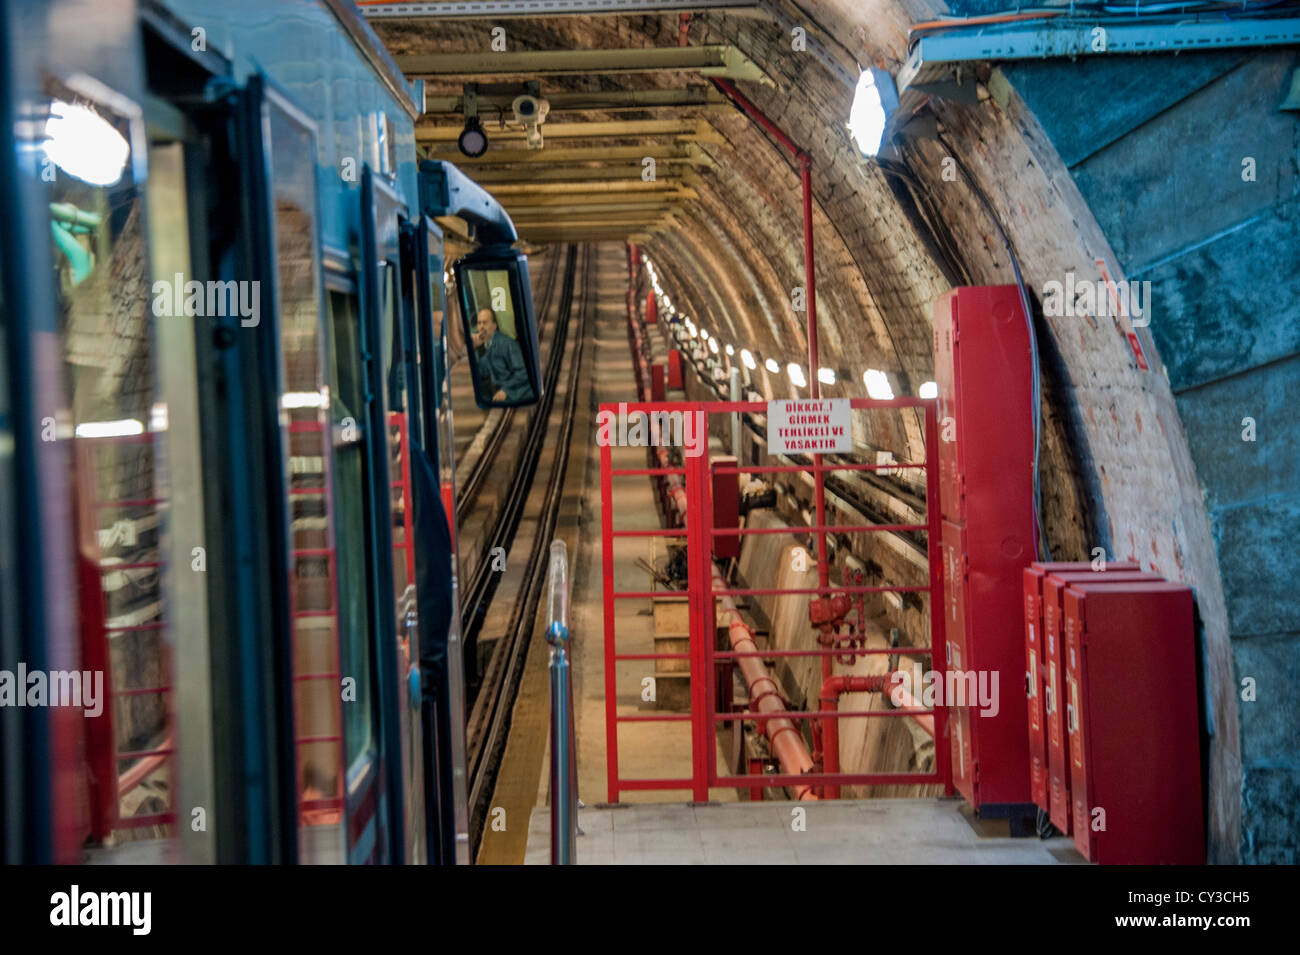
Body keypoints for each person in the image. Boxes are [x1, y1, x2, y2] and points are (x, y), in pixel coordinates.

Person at [472, 308, 532, 403]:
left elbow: (524, 372)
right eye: (479, 323)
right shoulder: (487, 346)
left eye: (485, 323)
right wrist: (472, 347)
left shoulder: (506, 344)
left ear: (494, 326)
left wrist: (506, 391)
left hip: (518, 393)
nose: (481, 327)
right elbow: (480, 371)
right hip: (500, 393)